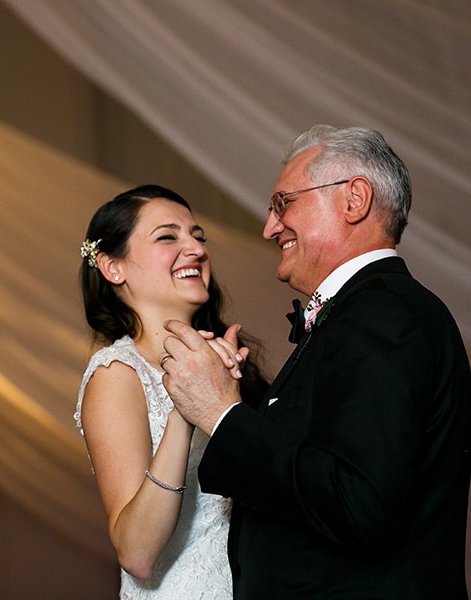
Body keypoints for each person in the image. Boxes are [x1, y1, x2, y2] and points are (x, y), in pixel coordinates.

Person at [159, 125, 471, 599]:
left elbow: (359, 504)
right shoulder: (367, 313)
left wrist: (220, 414)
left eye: (284, 203)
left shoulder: (383, 315)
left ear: (354, 200)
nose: (269, 227)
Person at [74, 185, 268, 598]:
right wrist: (186, 406)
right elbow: (137, 554)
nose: (195, 249)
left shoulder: (226, 357)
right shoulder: (116, 374)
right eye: (168, 236)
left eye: (198, 237)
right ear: (112, 267)